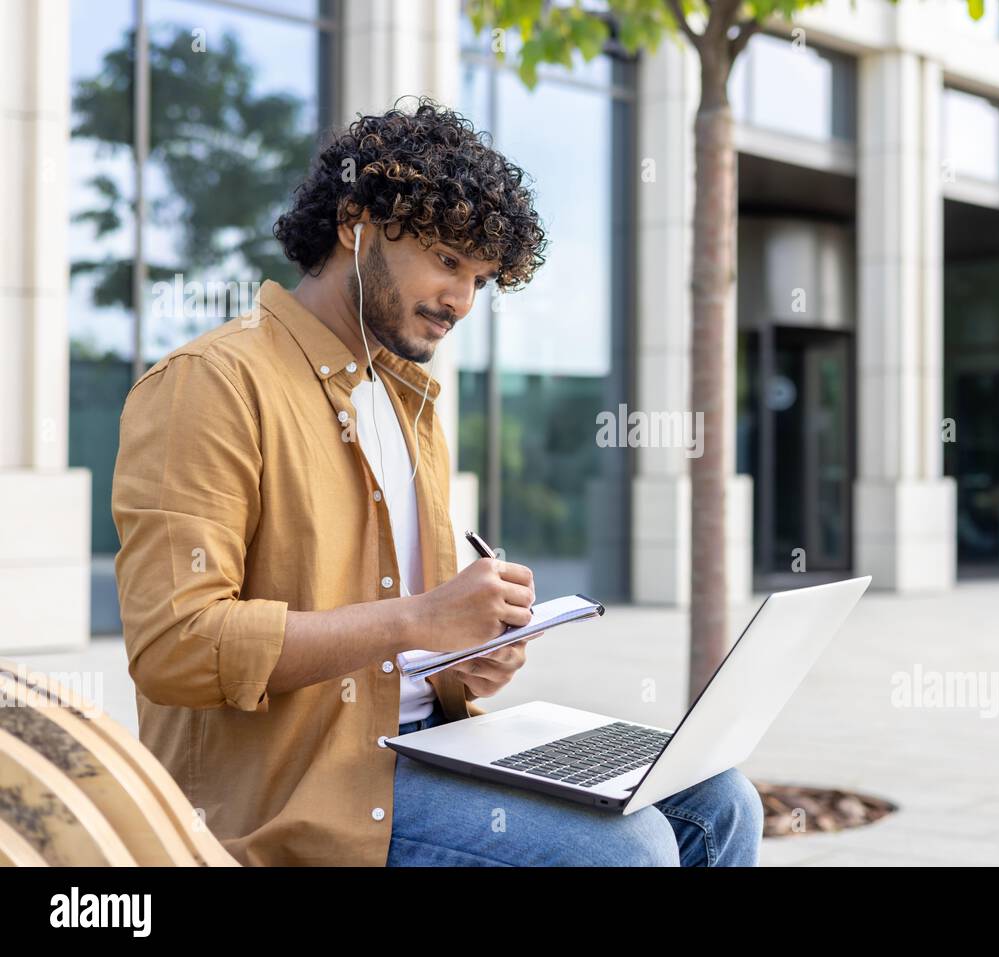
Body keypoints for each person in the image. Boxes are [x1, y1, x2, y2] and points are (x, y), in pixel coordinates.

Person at [112, 96, 763, 866]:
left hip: (430, 742)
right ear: (354, 224)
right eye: (447, 261)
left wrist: (473, 652)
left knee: (718, 799)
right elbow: (176, 646)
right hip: (305, 787)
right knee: (629, 849)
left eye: (481, 279)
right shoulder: (212, 382)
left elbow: (414, 635)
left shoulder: (405, 398)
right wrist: (418, 618)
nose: (461, 301)